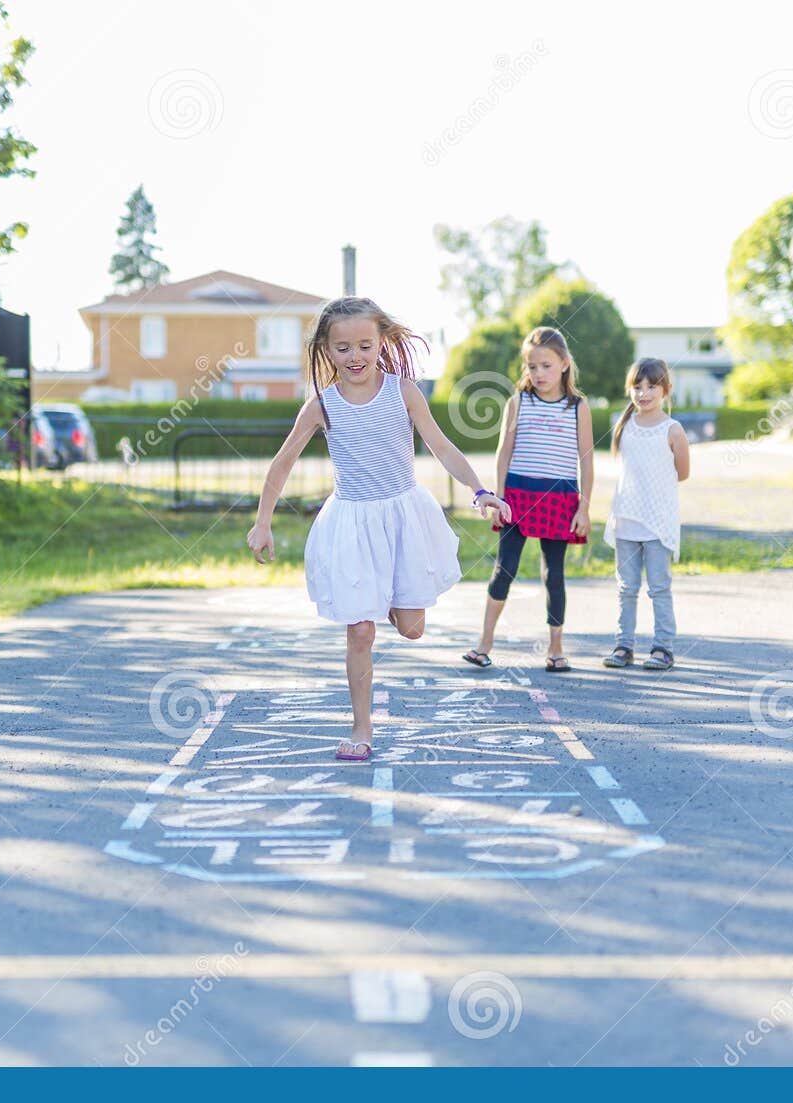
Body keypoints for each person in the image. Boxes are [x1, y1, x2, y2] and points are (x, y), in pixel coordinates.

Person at [247, 296, 510, 760]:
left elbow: (442, 447)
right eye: (343, 348)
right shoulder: (321, 405)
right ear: (327, 351)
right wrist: (262, 522)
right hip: (352, 523)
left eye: (365, 345)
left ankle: (392, 601)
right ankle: (361, 727)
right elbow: (282, 462)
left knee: (411, 629)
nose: (355, 357)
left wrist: (479, 491)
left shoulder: (403, 391)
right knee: (360, 632)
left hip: (403, 518)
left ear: (381, 342)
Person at [463, 326, 594, 673]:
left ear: (564, 364)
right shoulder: (518, 401)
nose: (538, 374)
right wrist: (498, 498)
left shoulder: (578, 407)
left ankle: (555, 648)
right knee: (504, 567)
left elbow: (586, 459)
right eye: (532, 366)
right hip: (518, 496)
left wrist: (585, 506)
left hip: (560, 497)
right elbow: (503, 453)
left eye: (546, 366)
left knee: (554, 573)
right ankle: (484, 644)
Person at [602, 357, 689, 671]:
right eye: (637, 387)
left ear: (665, 389)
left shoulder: (673, 429)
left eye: (652, 386)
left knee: (659, 588)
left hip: (657, 524)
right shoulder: (625, 425)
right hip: (626, 521)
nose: (644, 393)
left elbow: (682, 472)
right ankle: (623, 646)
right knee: (626, 589)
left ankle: (662, 648)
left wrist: (654, 497)